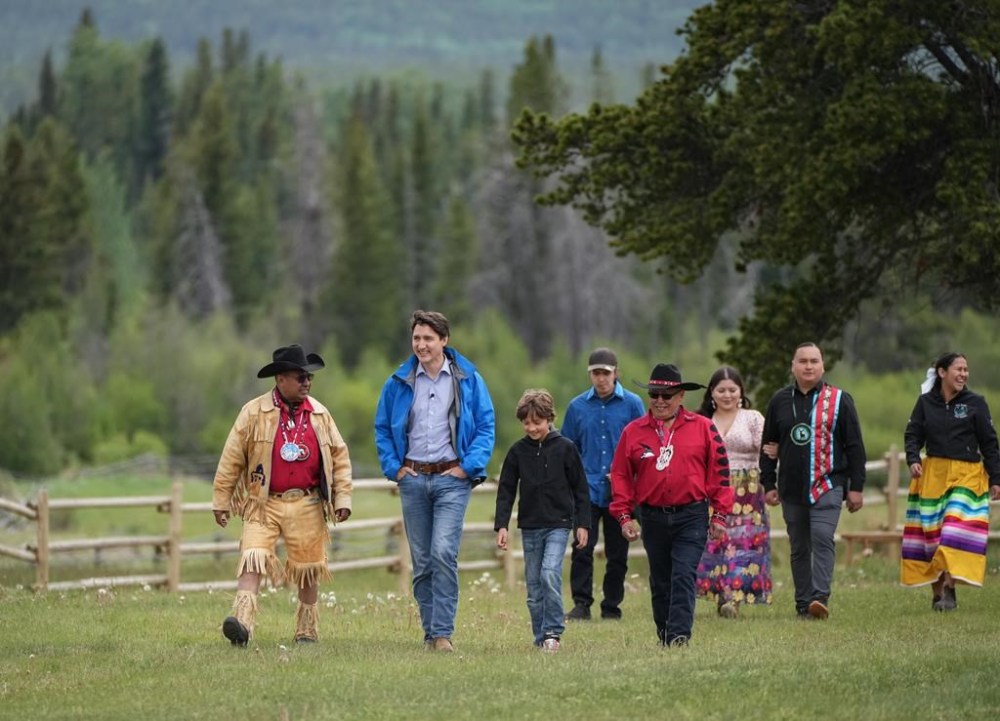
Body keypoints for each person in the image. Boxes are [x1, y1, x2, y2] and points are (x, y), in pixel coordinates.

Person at [212, 344, 353, 646]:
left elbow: (340, 457)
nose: (307, 382)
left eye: (308, 377)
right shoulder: (253, 412)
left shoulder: (320, 414)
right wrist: (222, 500)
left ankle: (306, 631)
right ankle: (242, 625)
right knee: (252, 558)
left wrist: (342, 499)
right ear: (280, 380)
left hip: (307, 501)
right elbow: (232, 457)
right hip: (263, 502)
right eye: (300, 377)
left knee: (308, 569)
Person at [374, 310, 496, 652]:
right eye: (416, 338)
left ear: (444, 340)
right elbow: (382, 427)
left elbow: (486, 426)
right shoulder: (398, 381)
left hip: (452, 479)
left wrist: (468, 466)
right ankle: (430, 632)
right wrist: (394, 467)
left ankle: (442, 633)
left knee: (443, 552)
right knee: (423, 560)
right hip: (412, 478)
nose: (421, 345)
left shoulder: (468, 378)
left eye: (428, 338)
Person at [610, 363, 733, 647]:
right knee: (661, 580)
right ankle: (665, 634)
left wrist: (720, 515)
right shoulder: (633, 432)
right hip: (652, 517)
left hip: (692, 514)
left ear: (680, 397)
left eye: (667, 396)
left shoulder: (703, 427)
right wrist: (624, 515)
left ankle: (679, 637)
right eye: (655, 395)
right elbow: (620, 475)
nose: (660, 401)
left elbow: (720, 472)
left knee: (683, 574)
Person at [759, 342, 866, 620]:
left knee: (821, 537)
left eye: (814, 361)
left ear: (823, 366)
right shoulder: (779, 401)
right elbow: (768, 444)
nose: (808, 366)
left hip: (828, 483)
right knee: (799, 546)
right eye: (803, 361)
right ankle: (803, 603)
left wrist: (856, 487)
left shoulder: (841, 400)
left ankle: (820, 598)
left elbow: (855, 446)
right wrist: (769, 484)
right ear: (793, 366)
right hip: (791, 487)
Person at [902, 352, 1000, 610]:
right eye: (958, 369)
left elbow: (989, 442)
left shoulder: (976, 403)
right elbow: (913, 434)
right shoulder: (925, 403)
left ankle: (950, 588)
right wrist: (913, 458)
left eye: (966, 370)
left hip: (967, 474)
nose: (963, 374)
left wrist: (996, 478)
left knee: (954, 531)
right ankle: (938, 594)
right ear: (942, 372)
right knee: (932, 536)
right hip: (932, 473)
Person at [494, 389, 590, 652]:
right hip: (530, 526)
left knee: (549, 573)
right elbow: (506, 490)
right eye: (526, 423)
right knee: (534, 587)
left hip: (559, 524)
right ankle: (540, 637)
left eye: (537, 422)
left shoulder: (566, 449)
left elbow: (581, 489)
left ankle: (553, 632)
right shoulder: (517, 452)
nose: (531, 428)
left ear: (549, 418)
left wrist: (583, 524)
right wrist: (502, 525)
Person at [561, 347, 645, 621]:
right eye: (595, 373)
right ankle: (581, 604)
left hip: (620, 492)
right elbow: (568, 448)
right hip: (586, 490)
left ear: (616, 373)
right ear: (590, 375)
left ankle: (611, 606)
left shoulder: (632, 404)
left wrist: (627, 475)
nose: (601, 379)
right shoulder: (577, 407)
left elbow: (643, 446)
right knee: (582, 548)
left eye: (605, 373)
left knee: (617, 553)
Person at [695, 366, 772, 618]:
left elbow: (768, 451)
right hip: (714, 488)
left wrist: (771, 481)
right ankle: (720, 593)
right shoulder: (702, 421)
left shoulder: (753, 418)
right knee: (717, 542)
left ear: (740, 392)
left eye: (732, 389)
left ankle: (734, 598)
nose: (727, 395)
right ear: (712, 393)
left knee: (743, 543)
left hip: (748, 490)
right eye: (721, 390)